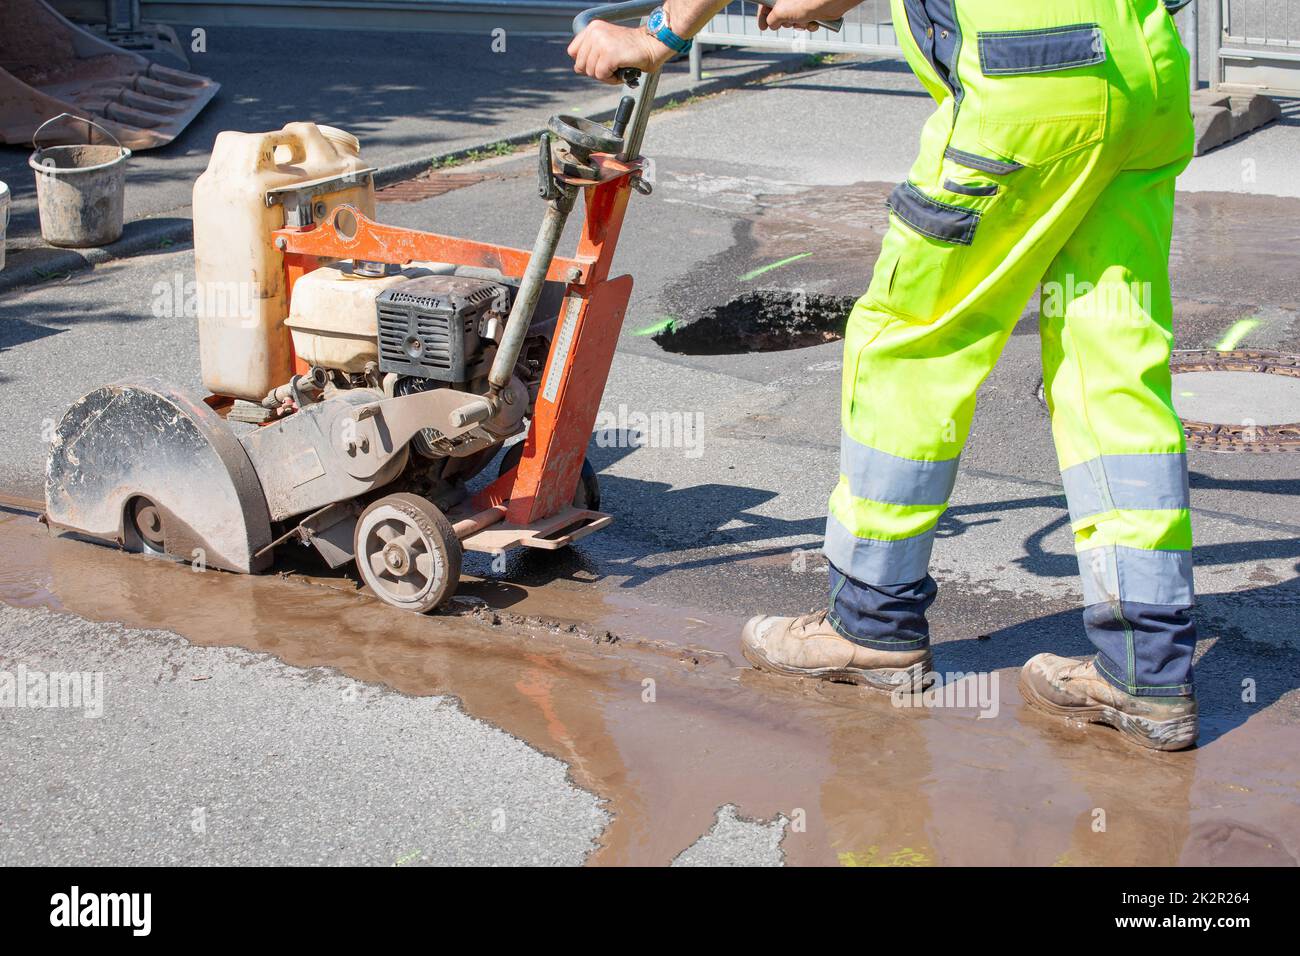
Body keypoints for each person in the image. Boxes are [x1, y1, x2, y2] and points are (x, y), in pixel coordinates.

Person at [569, 0, 1200, 751]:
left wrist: (657, 33)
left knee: (907, 347)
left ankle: (872, 624)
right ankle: (1147, 669)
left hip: (1034, 84)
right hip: (1142, 73)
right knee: (1113, 367)